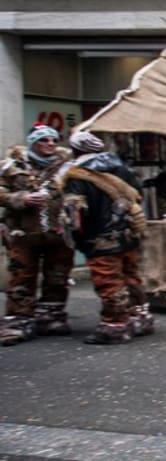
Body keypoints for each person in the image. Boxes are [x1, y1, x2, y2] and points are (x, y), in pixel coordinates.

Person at [58, 131, 151, 345]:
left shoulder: (77, 176)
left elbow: (75, 215)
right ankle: (139, 317)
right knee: (131, 277)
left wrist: (74, 236)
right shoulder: (121, 169)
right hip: (127, 235)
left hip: (100, 239)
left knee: (109, 282)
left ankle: (115, 325)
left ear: (75, 149)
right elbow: (138, 194)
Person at [0, 124, 74, 346]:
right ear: (33, 142)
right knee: (22, 275)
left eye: (53, 140)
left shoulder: (67, 167)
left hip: (58, 233)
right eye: (44, 140)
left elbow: (79, 191)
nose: (50, 144)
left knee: (58, 276)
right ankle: (19, 320)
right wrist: (21, 198)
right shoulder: (12, 166)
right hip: (23, 233)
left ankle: (50, 316)